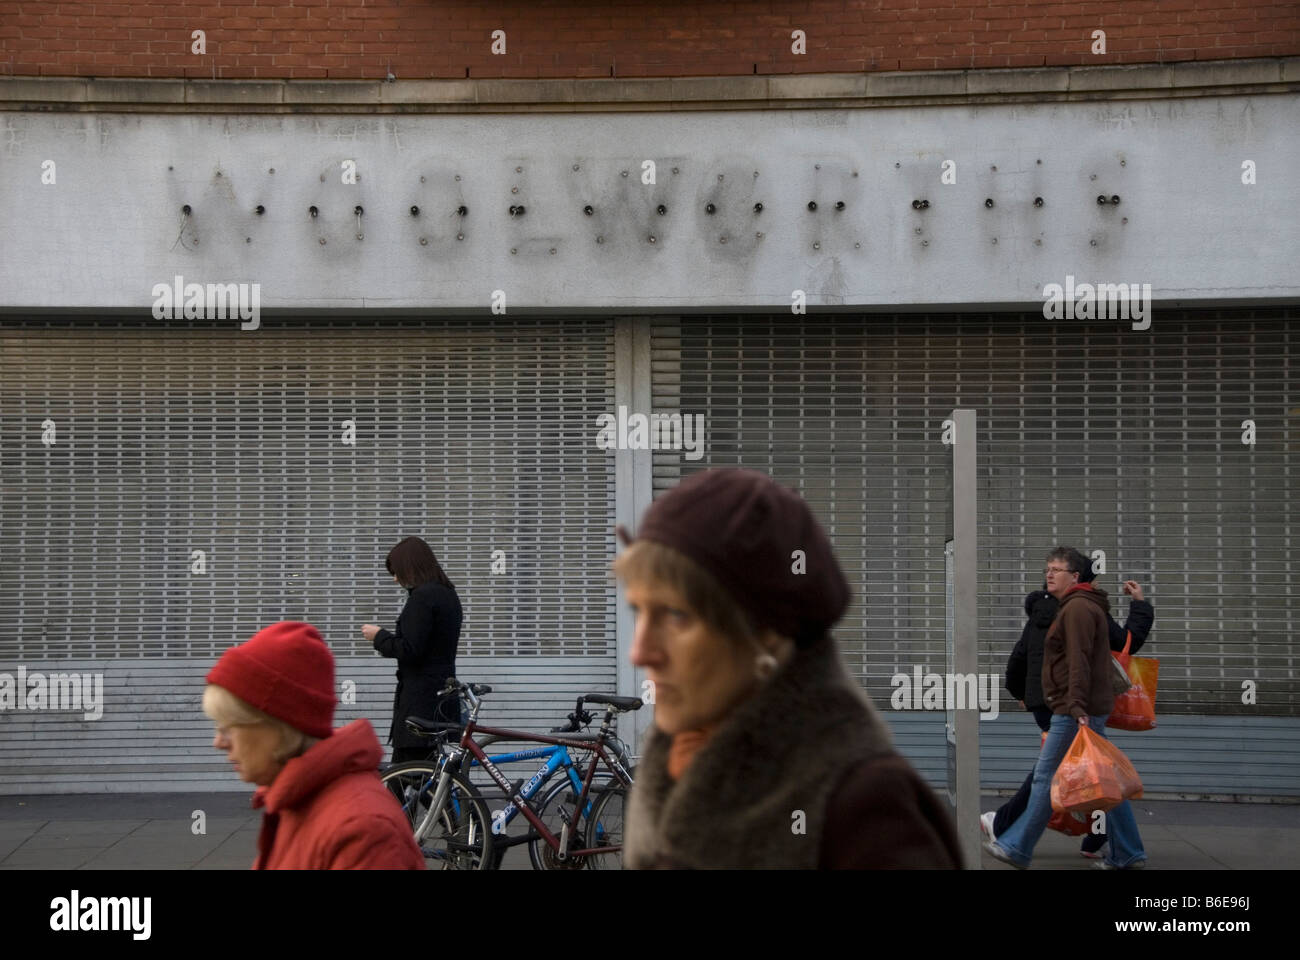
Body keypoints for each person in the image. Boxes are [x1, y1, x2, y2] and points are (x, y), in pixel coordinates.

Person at [616, 467, 962, 869]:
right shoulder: (677, 759)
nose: (639, 652)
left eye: (677, 614)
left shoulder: (863, 813)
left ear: (767, 632)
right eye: (639, 609)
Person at [203, 620, 425, 869]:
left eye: (228, 726)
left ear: (277, 726)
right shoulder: (298, 801)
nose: (218, 742)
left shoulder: (362, 833)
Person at [985, 547, 1147, 870]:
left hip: (1074, 709)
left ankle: (1017, 846)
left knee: (1046, 777)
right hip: (1078, 706)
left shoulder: (1076, 609)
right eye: (1048, 568)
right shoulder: (1079, 606)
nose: (1049, 574)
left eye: (1057, 569)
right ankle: (1128, 852)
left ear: (1075, 576)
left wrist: (1073, 705)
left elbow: (1078, 662)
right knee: (1102, 779)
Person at [361, 536, 463, 765]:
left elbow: (410, 649)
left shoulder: (423, 598)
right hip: (439, 698)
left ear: (410, 567)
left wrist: (379, 637)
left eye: (396, 572)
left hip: (420, 702)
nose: (396, 579)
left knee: (407, 773)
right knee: (424, 778)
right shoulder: (448, 594)